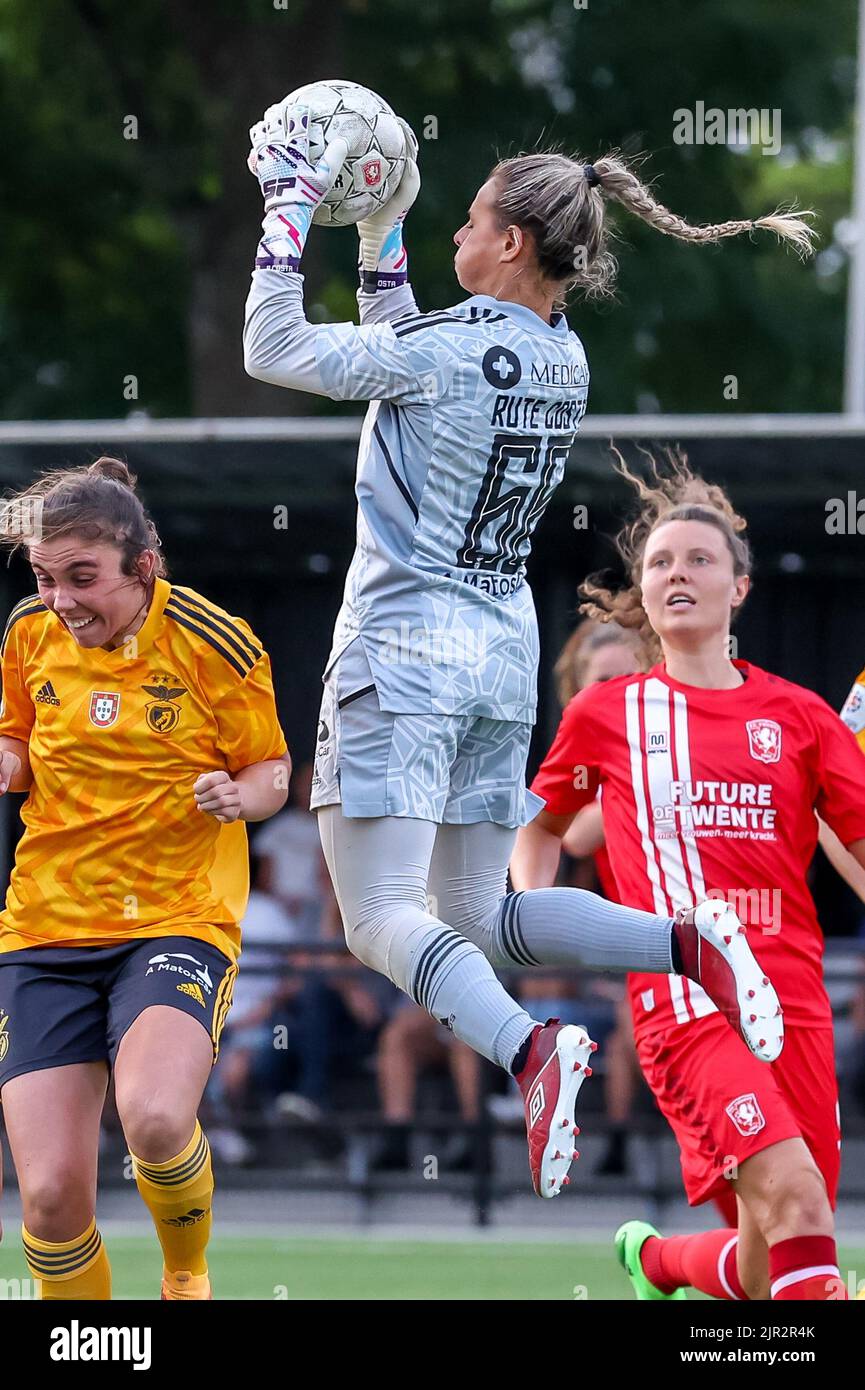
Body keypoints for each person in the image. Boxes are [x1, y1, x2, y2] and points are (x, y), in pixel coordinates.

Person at [242, 100, 812, 1197]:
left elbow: (275, 347)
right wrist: (378, 239)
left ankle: (527, 1047)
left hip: (406, 641)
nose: (450, 235)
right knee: (480, 918)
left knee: (377, 918)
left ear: (509, 242)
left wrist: (292, 206)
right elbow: (409, 360)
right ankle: (685, 943)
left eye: (463, 222)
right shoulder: (563, 354)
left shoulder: (445, 347)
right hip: (500, 642)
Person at [512, 450, 865, 1300]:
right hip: (685, 1003)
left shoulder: (801, 716)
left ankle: (652, 1262)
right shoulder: (607, 713)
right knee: (801, 1206)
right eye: (660, 562)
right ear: (645, 592)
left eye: (699, 559)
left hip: (796, 999)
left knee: (769, 1238)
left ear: (737, 588)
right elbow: (538, 825)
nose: (677, 573)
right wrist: (530, 916)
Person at [0, 458, 290, 1300]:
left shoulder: (213, 640)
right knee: (51, 1198)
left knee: (156, 1120)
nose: (62, 600)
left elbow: (272, 768)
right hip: (45, 930)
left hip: (174, 917)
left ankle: (184, 1279)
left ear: (143, 566)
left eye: (82, 578)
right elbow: (17, 742)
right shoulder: (26, 632)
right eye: (47, 578)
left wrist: (238, 795)